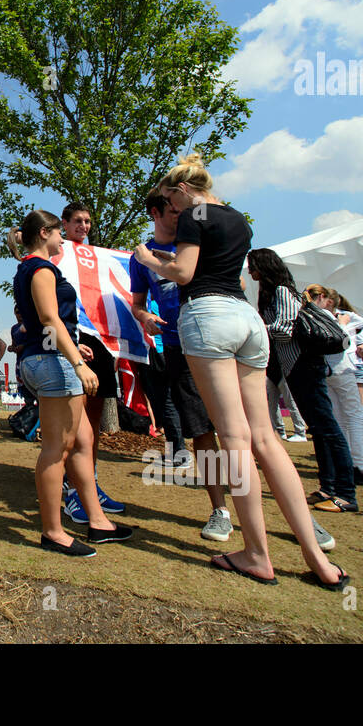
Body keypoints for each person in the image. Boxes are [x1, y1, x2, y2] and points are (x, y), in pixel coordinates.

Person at [132, 157, 347, 589]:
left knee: (233, 440)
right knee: (265, 438)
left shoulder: (195, 213)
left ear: (182, 190)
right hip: (245, 319)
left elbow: (183, 272)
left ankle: (255, 553)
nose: (172, 207)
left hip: (207, 316)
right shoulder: (237, 219)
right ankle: (316, 558)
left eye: (171, 197)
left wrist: (146, 258)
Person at [9, 209, 131, 556]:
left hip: (47, 356)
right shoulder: (42, 268)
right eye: (59, 232)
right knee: (56, 449)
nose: (64, 238)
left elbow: (41, 321)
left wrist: (72, 344)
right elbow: (48, 316)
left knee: (82, 442)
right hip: (53, 364)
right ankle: (53, 532)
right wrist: (77, 362)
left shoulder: (28, 267)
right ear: (45, 232)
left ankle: (97, 522)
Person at [129, 188, 235, 543]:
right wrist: (144, 317)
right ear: (158, 213)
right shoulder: (140, 258)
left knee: (244, 430)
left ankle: (284, 508)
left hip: (221, 341)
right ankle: (219, 509)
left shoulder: (202, 238)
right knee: (201, 429)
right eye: (175, 211)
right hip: (179, 346)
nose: (184, 214)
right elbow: (138, 303)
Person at [248, 250, 358, 516]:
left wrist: (257, 328)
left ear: (264, 267)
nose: (251, 272)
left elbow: (285, 330)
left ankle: (346, 493)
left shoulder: (283, 292)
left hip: (304, 365)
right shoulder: (277, 293)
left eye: (253, 267)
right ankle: (328, 486)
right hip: (296, 367)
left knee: (328, 428)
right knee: (319, 429)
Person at [58, 202, 126, 521]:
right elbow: (22, 244)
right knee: (77, 419)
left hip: (102, 341)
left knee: (95, 417)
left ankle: (91, 482)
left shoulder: (98, 257)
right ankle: (72, 488)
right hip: (74, 338)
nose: (83, 226)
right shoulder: (56, 252)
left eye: (87, 221)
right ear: (64, 224)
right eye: (77, 222)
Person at [306, 286, 363, 491]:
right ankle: (355, 463)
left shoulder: (345, 316)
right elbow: (338, 340)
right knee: (345, 416)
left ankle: (360, 462)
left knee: (352, 415)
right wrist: (343, 326)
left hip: (347, 367)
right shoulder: (324, 317)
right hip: (335, 369)